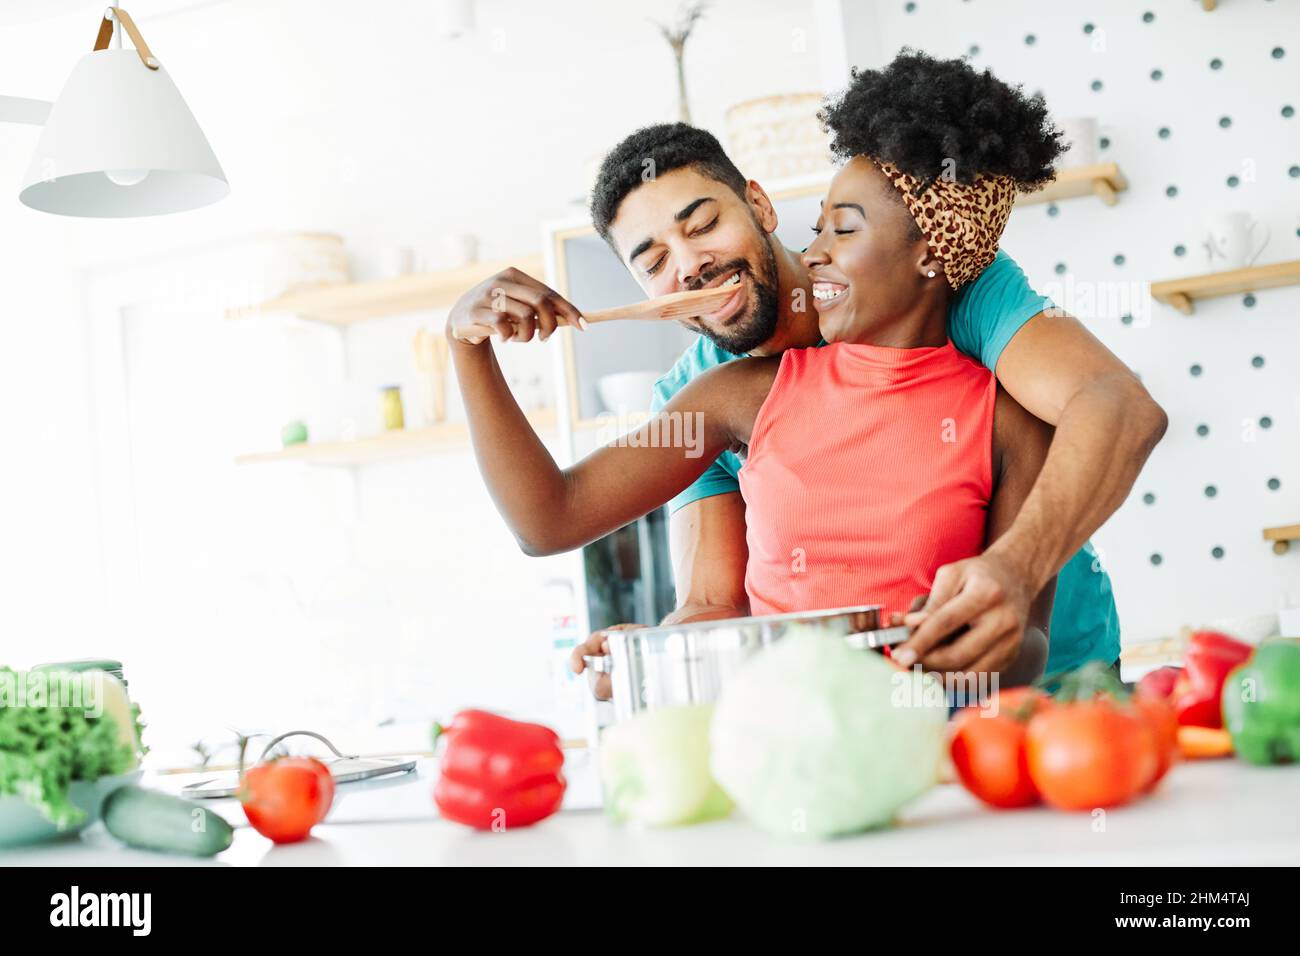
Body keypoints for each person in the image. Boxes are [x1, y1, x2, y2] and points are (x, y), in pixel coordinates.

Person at [447, 51, 1167, 681]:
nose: (691, 264)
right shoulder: (714, 397)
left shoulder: (959, 287)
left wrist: (1013, 573)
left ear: (758, 204)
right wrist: (660, 657)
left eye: (702, 226)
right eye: (655, 260)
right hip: (852, 716)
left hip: (1047, 678)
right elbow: (704, 600)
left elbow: (1116, 405)